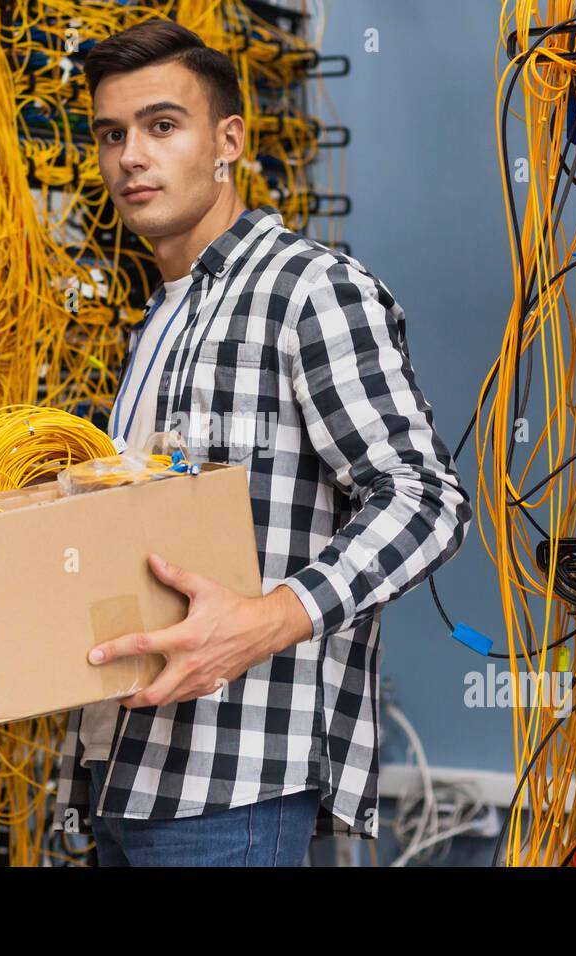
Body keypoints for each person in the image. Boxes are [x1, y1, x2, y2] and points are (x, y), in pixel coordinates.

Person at [49, 17, 472, 867]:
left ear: (229, 140)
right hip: (118, 770)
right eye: (111, 134)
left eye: (162, 126)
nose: (131, 155)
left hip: (231, 785)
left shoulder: (310, 291)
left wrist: (268, 621)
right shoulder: (162, 317)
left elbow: (427, 500)